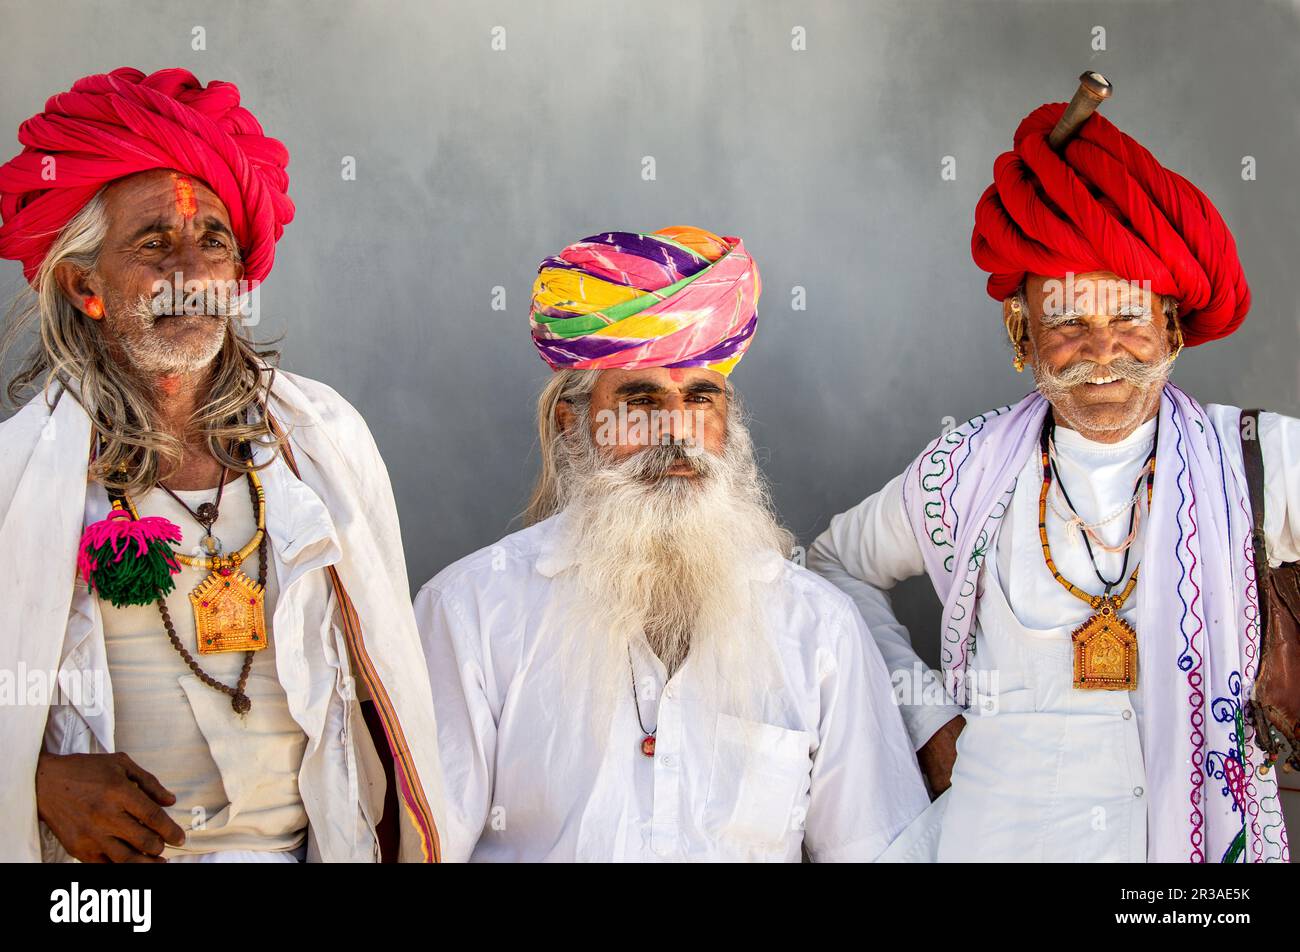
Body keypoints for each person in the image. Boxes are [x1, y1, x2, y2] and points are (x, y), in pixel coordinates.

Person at [809, 99, 1292, 862]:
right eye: (1068, 322)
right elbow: (831, 565)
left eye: (1129, 318)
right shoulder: (961, 471)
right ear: (1021, 333)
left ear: (1170, 328)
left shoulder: (1258, 459)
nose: (1103, 352)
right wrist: (926, 721)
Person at [0, 67, 444, 863]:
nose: (196, 275)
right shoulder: (18, 474)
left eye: (214, 241)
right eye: (155, 244)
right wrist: (35, 781)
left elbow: (391, 693)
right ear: (83, 284)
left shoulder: (324, 441)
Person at [416, 226, 927, 861]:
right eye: (641, 399)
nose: (677, 429)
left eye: (700, 398)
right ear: (574, 422)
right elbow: (424, 847)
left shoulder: (816, 627)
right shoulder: (471, 612)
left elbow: (876, 848)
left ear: (727, 420)